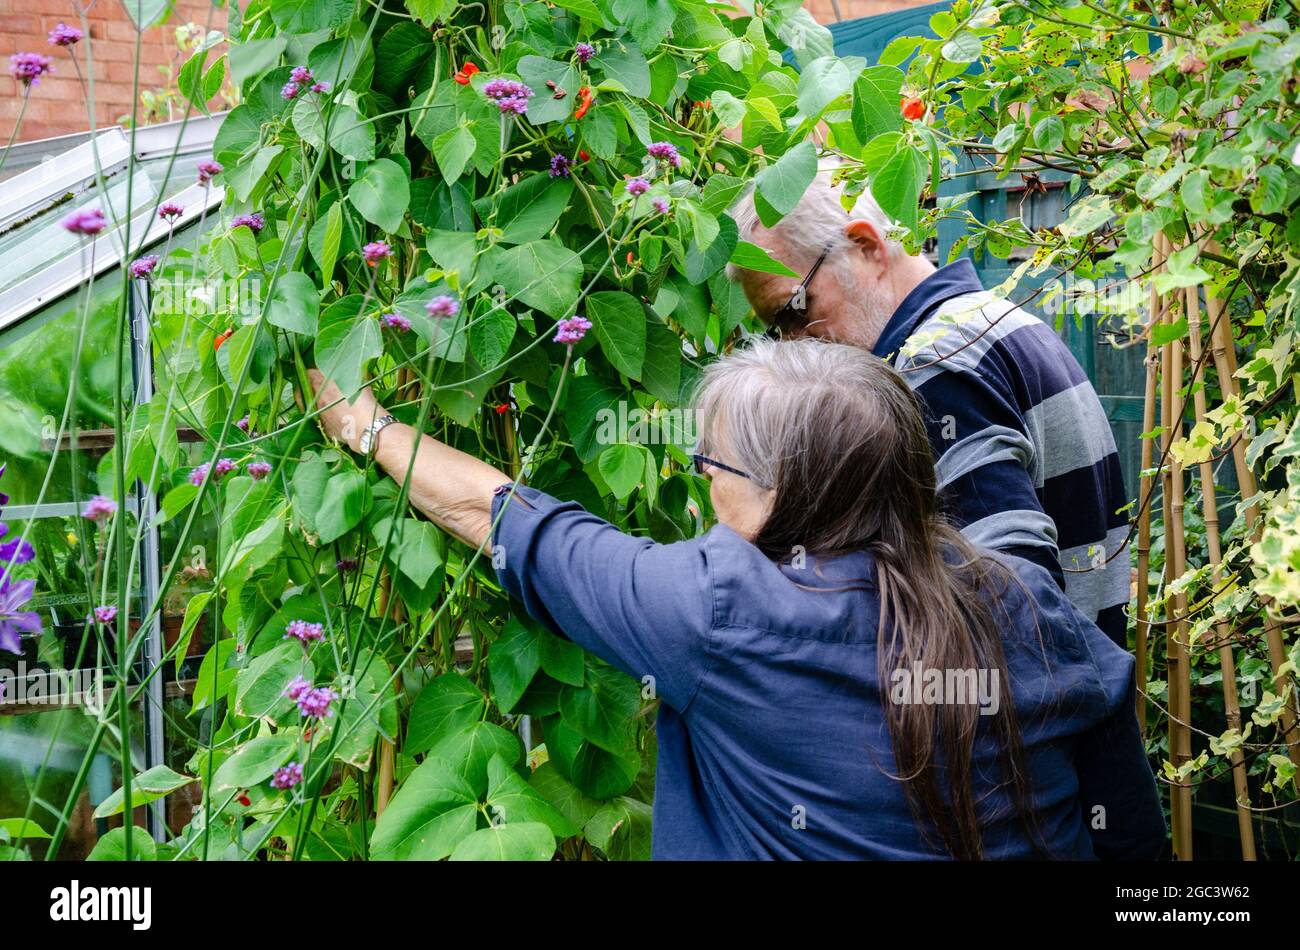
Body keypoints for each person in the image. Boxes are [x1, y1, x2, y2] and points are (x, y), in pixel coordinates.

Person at [309, 338, 1164, 860]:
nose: (703, 489)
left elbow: (496, 514)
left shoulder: (716, 613)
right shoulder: (1027, 606)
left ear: (780, 490)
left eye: (711, 467)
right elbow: (1133, 846)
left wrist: (367, 425)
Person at [728, 169, 1131, 647]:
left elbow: (1005, 610)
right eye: (777, 329)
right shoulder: (995, 319)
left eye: (796, 308)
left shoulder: (928, 366)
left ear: (866, 246)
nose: (794, 344)